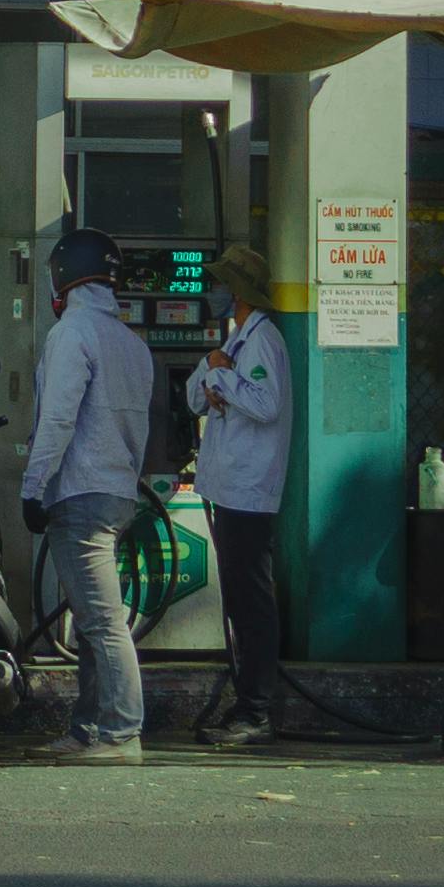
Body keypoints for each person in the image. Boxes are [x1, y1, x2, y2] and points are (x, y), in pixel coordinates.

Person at [21, 223, 157, 764]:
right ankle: (86, 730)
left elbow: (57, 418)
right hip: (118, 495)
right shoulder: (132, 343)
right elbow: (141, 432)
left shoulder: (71, 334)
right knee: (96, 616)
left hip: (78, 495)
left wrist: (33, 486)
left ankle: (122, 734)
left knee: (102, 622)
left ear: (62, 278)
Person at [179, 242, 302, 745]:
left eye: (224, 285)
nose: (217, 292)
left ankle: (255, 709)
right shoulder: (234, 341)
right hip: (227, 487)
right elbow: (193, 397)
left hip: (249, 490)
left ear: (238, 292)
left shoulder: (264, 342)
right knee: (238, 598)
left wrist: (223, 378)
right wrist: (214, 374)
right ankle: (246, 702)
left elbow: (266, 404)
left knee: (251, 600)